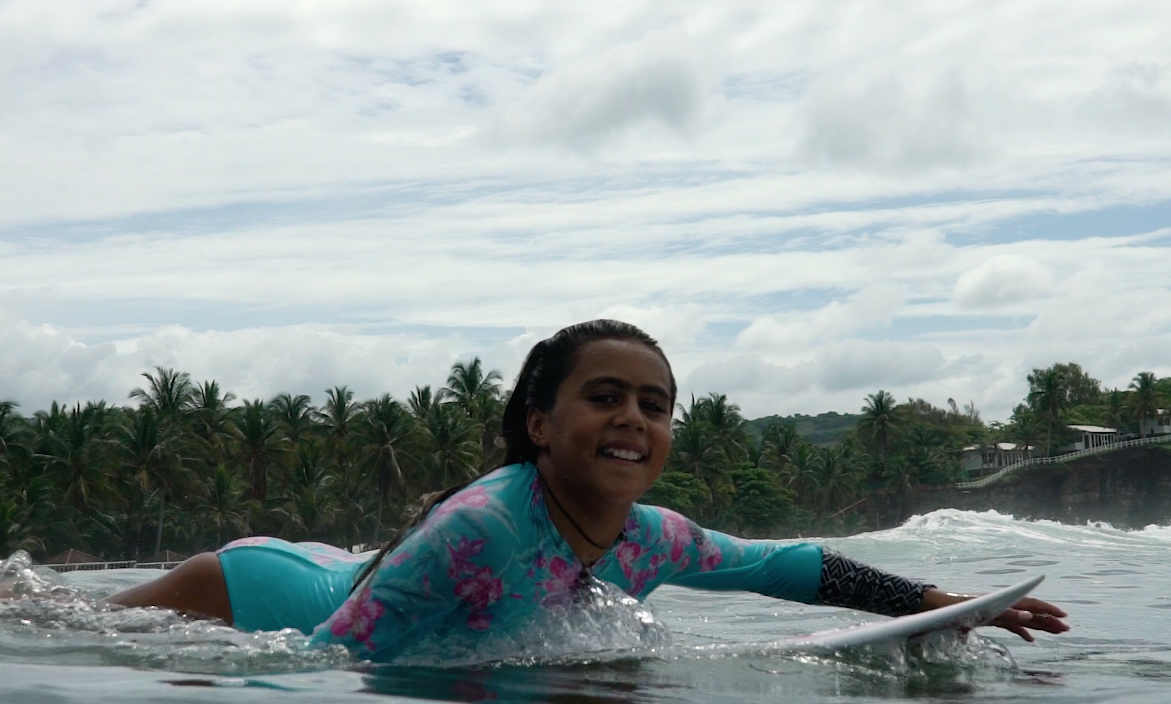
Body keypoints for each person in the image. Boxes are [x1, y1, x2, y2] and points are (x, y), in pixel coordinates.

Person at [104, 319, 1069, 662]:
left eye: (654, 403)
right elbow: (332, 663)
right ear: (538, 423)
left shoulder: (655, 536)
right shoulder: (479, 531)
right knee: (67, 622)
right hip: (253, 593)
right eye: (602, 397)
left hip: (345, 572)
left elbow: (785, 564)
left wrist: (931, 603)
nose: (632, 419)